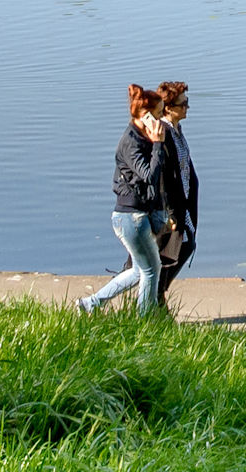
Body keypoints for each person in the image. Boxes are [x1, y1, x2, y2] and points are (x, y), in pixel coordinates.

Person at [76, 82, 177, 316]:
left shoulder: (143, 139)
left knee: (138, 271)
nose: (163, 121)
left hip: (137, 215)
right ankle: (144, 321)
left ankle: (91, 303)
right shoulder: (131, 143)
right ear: (146, 117)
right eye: (159, 114)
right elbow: (150, 177)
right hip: (130, 218)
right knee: (152, 270)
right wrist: (159, 145)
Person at [149, 77, 201, 309]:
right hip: (170, 206)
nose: (187, 107)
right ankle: (156, 298)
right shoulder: (165, 134)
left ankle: (158, 295)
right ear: (168, 109)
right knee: (169, 251)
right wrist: (169, 212)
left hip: (184, 202)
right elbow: (163, 176)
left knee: (186, 245)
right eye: (183, 104)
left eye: (187, 102)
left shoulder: (178, 132)